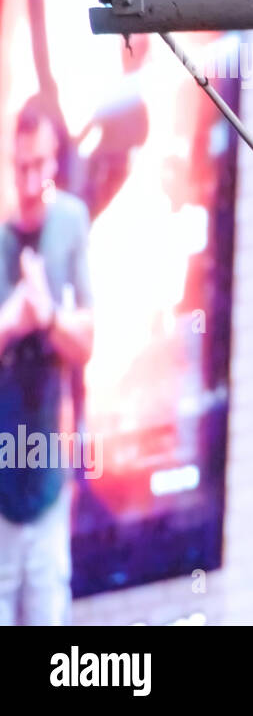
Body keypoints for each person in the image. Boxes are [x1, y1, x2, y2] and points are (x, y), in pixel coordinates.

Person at [0, 95, 94, 625]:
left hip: (50, 480)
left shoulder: (71, 223)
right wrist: (13, 319)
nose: (32, 179)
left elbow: (86, 342)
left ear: (54, 160)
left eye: (40, 165)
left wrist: (49, 318)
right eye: (22, 167)